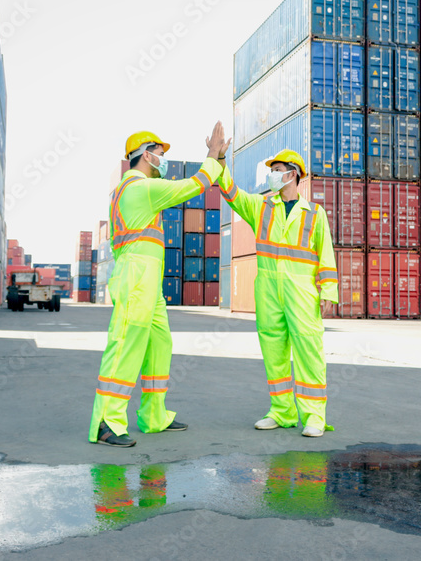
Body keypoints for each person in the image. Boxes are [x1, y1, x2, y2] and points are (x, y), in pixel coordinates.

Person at [90, 123, 230, 447]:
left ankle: (154, 415)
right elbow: (193, 186)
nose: (163, 159)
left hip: (148, 281)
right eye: (160, 153)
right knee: (126, 347)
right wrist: (212, 156)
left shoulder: (139, 189)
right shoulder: (139, 188)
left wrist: (219, 162)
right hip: (136, 277)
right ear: (145, 155)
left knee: (160, 344)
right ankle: (106, 422)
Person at [218, 150, 338, 437]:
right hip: (269, 291)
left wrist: (328, 293)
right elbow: (231, 192)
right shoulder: (261, 207)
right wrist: (221, 162)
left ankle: (314, 416)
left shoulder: (315, 213)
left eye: (278, 169)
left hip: (302, 294)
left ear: (293, 173)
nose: (272, 175)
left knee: (309, 351)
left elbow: (326, 255)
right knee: (274, 352)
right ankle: (281, 411)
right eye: (272, 170)